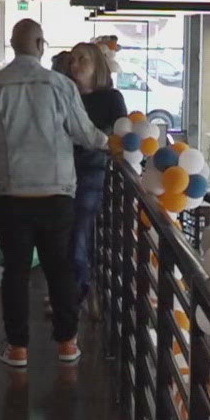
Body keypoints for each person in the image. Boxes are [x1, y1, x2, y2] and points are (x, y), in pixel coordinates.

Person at [0, 18, 104, 369]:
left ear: (12, 44)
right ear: (41, 45)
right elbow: (85, 135)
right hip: (56, 193)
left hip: (7, 194)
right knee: (60, 269)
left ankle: (18, 348)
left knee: (15, 271)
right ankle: (67, 344)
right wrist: (111, 141)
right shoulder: (60, 86)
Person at [68, 41, 128, 304]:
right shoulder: (68, 95)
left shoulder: (111, 98)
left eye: (82, 59)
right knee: (69, 236)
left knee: (80, 236)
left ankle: (79, 291)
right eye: (72, 60)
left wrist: (93, 140)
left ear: (97, 66)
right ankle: (76, 288)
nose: (75, 65)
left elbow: (118, 138)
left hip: (93, 173)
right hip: (65, 174)